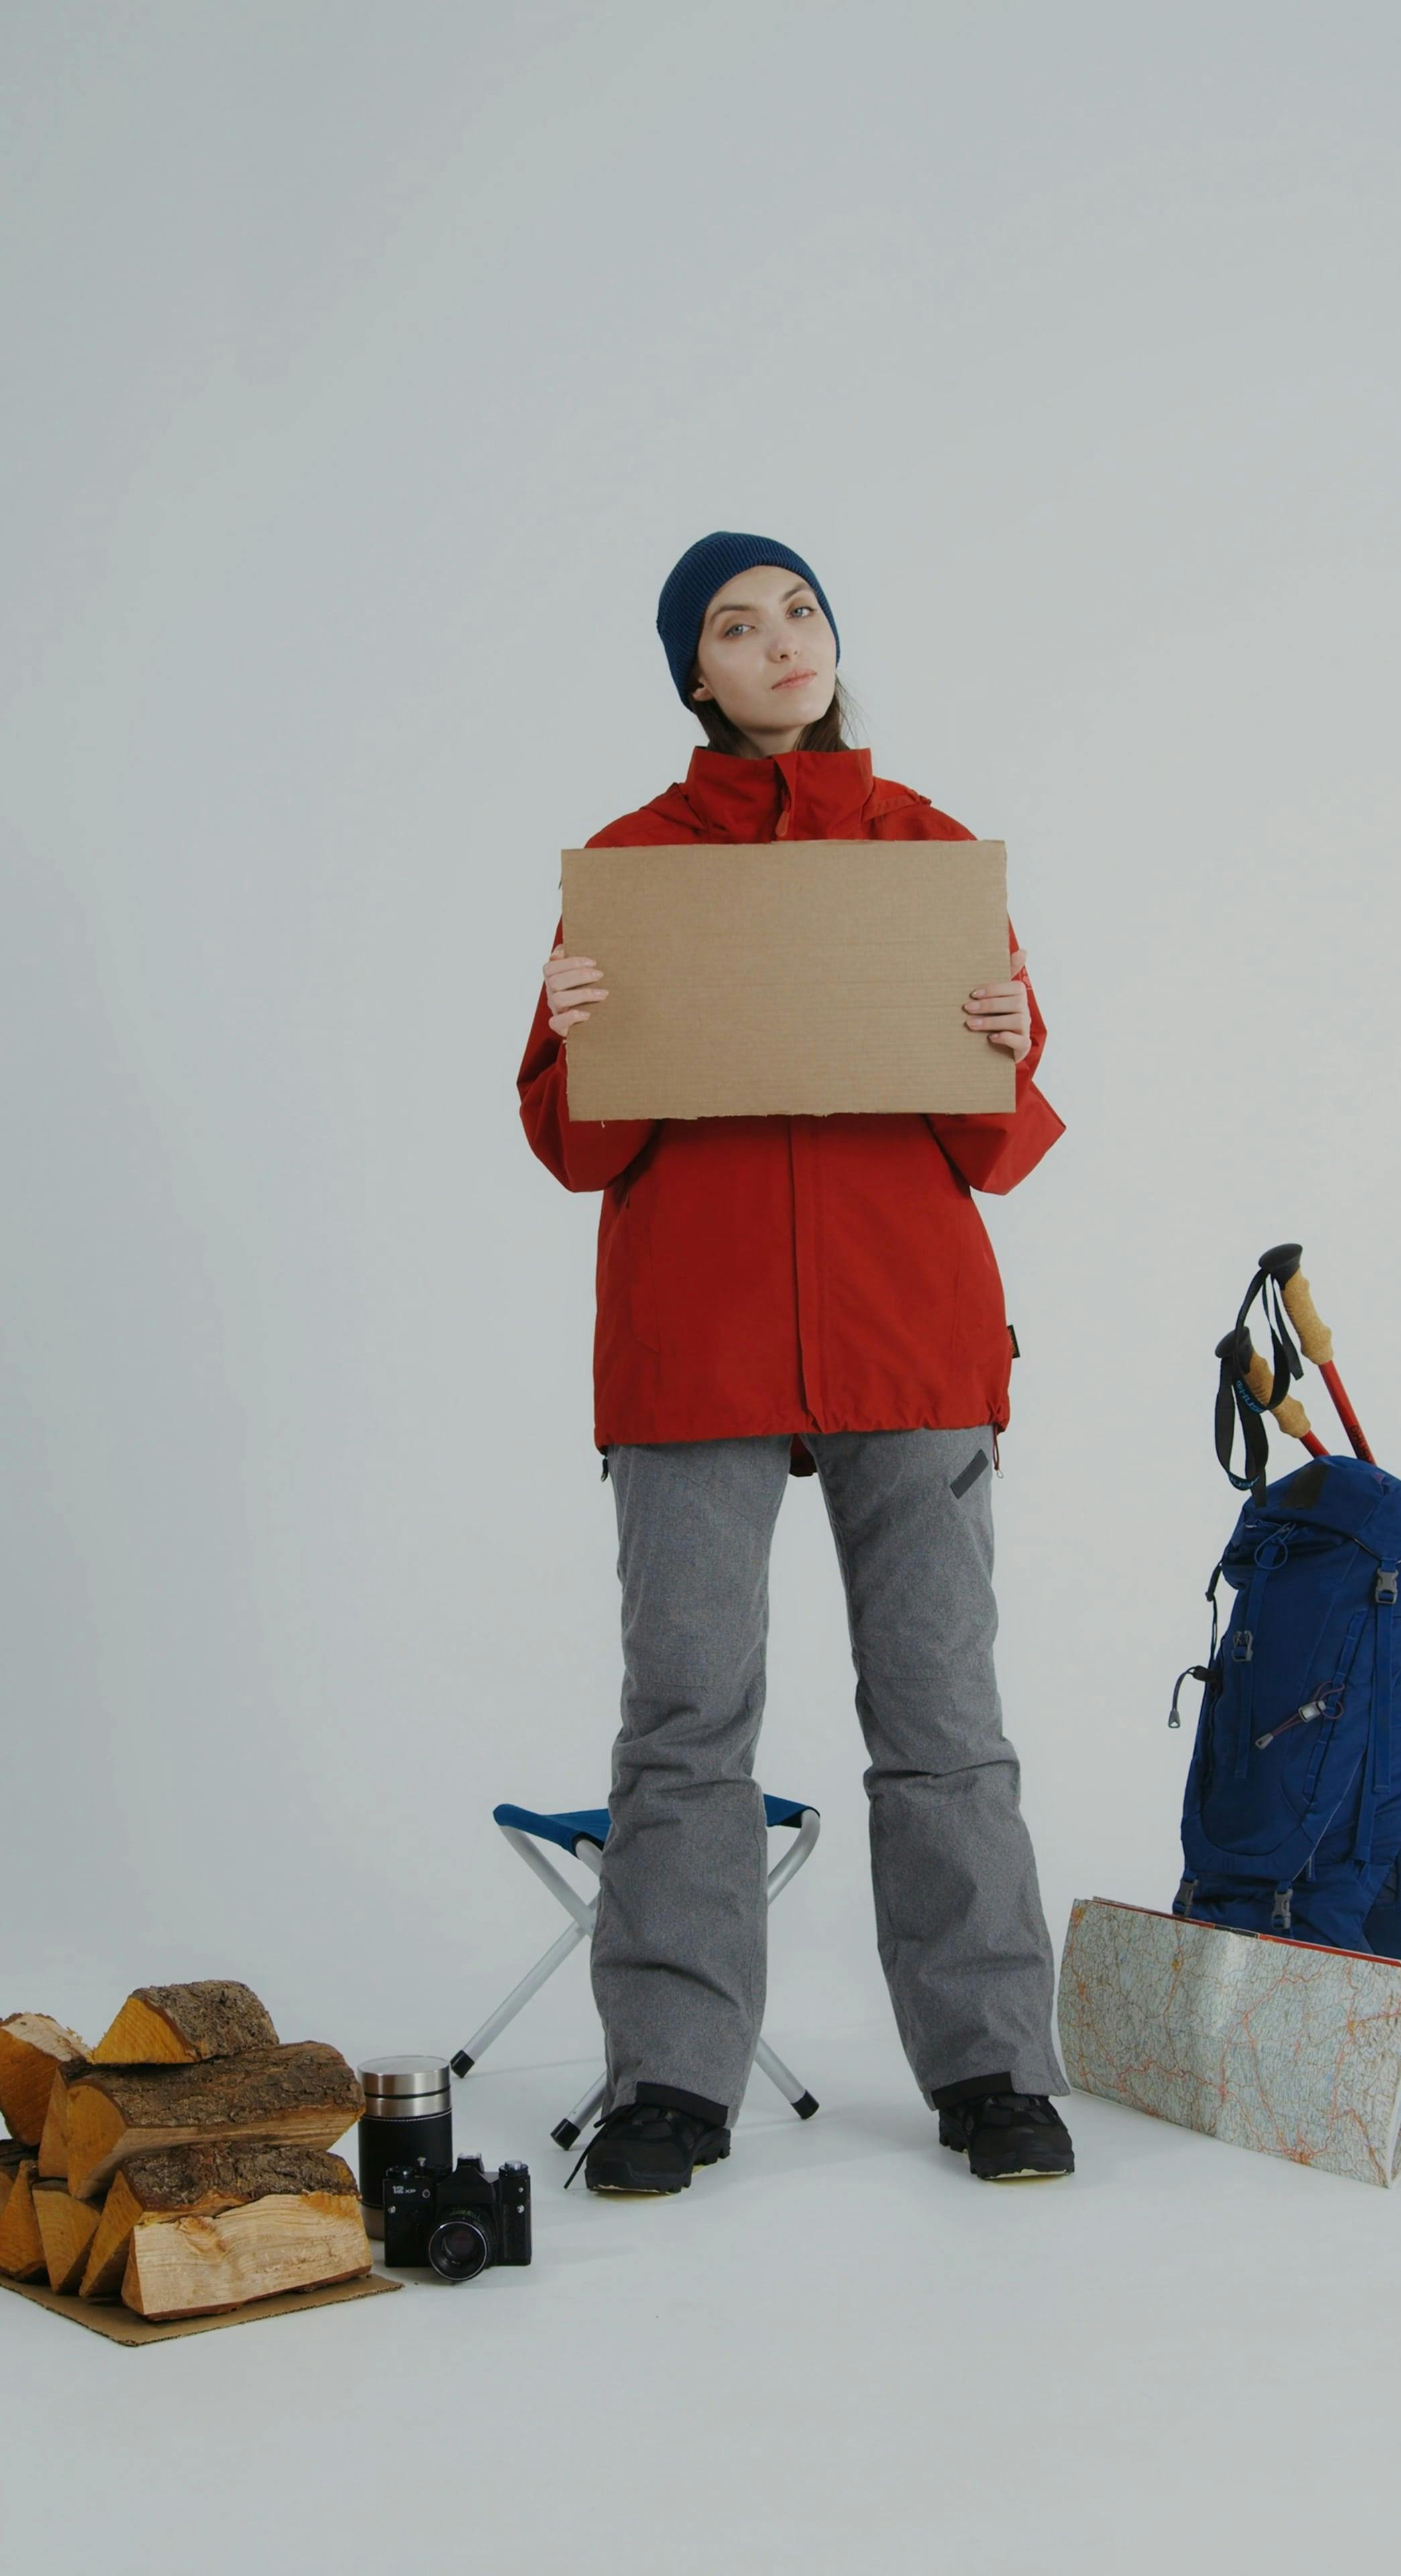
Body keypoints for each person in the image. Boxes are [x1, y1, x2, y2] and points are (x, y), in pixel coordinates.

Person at [516, 530, 1074, 2196]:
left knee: (945, 1721)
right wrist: (574, 1025)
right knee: (685, 1722)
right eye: (738, 628)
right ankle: (670, 2087)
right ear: (695, 671)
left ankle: (993, 2068)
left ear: (833, 641)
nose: (780, 645)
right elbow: (567, 1147)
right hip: (700, 1350)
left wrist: (1006, 1047)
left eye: (801, 615)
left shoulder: (926, 858)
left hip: (911, 1333)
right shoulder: (627, 870)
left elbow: (997, 1148)